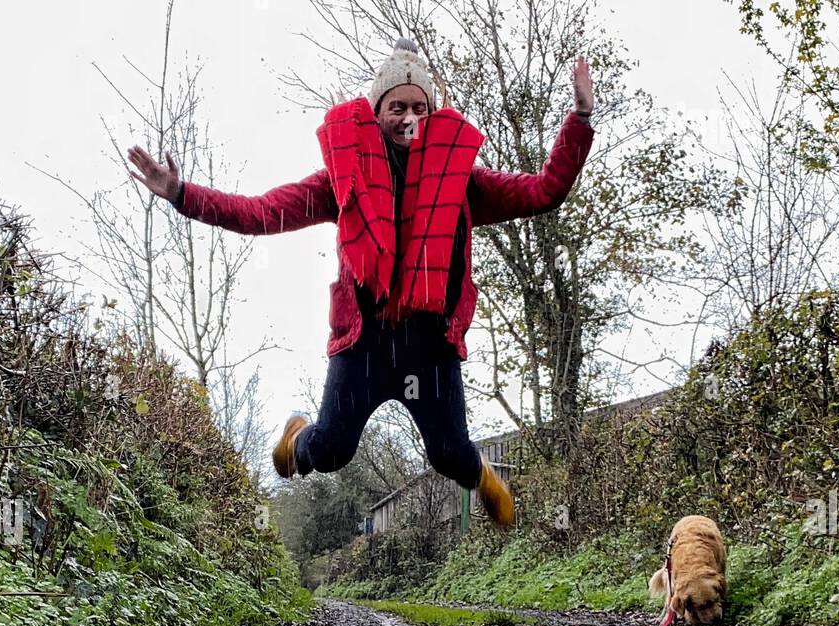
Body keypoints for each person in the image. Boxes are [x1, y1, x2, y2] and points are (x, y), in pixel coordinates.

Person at [127, 39, 595, 527]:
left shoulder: (463, 185)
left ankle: (480, 474)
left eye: (419, 107)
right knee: (329, 451)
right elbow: (261, 212)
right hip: (365, 344)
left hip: (429, 346)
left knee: (451, 453)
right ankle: (297, 436)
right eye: (397, 106)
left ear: (431, 114)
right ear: (377, 112)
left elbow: (546, 190)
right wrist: (182, 193)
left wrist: (578, 121)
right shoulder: (341, 179)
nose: (408, 116)